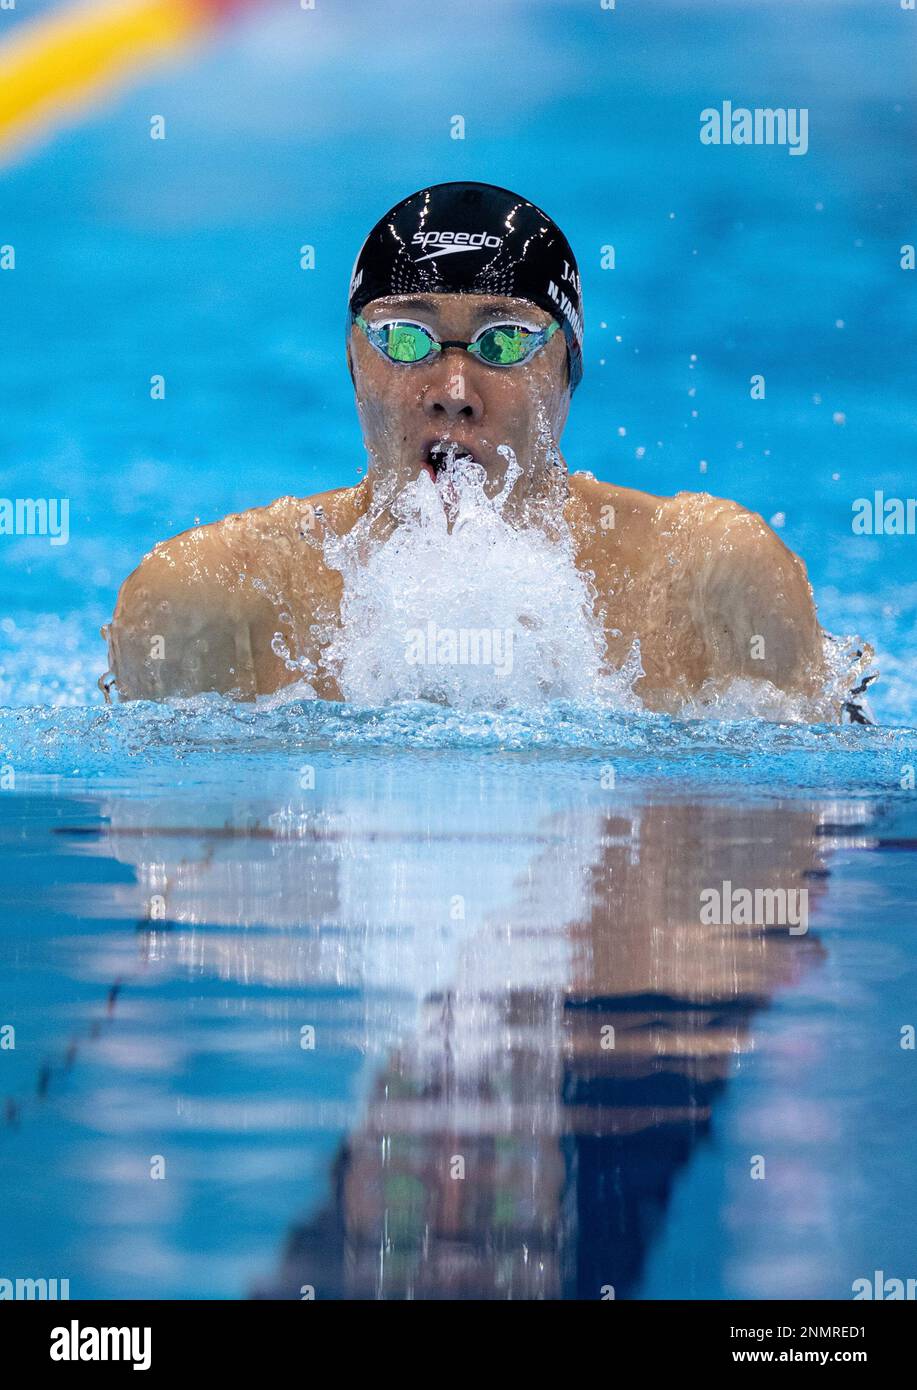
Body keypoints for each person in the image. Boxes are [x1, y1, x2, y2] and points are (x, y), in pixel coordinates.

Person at [103, 181, 862, 715]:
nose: (453, 388)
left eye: (505, 341)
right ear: (351, 361)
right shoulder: (210, 600)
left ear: (568, 369)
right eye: (406, 337)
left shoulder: (707, 580)